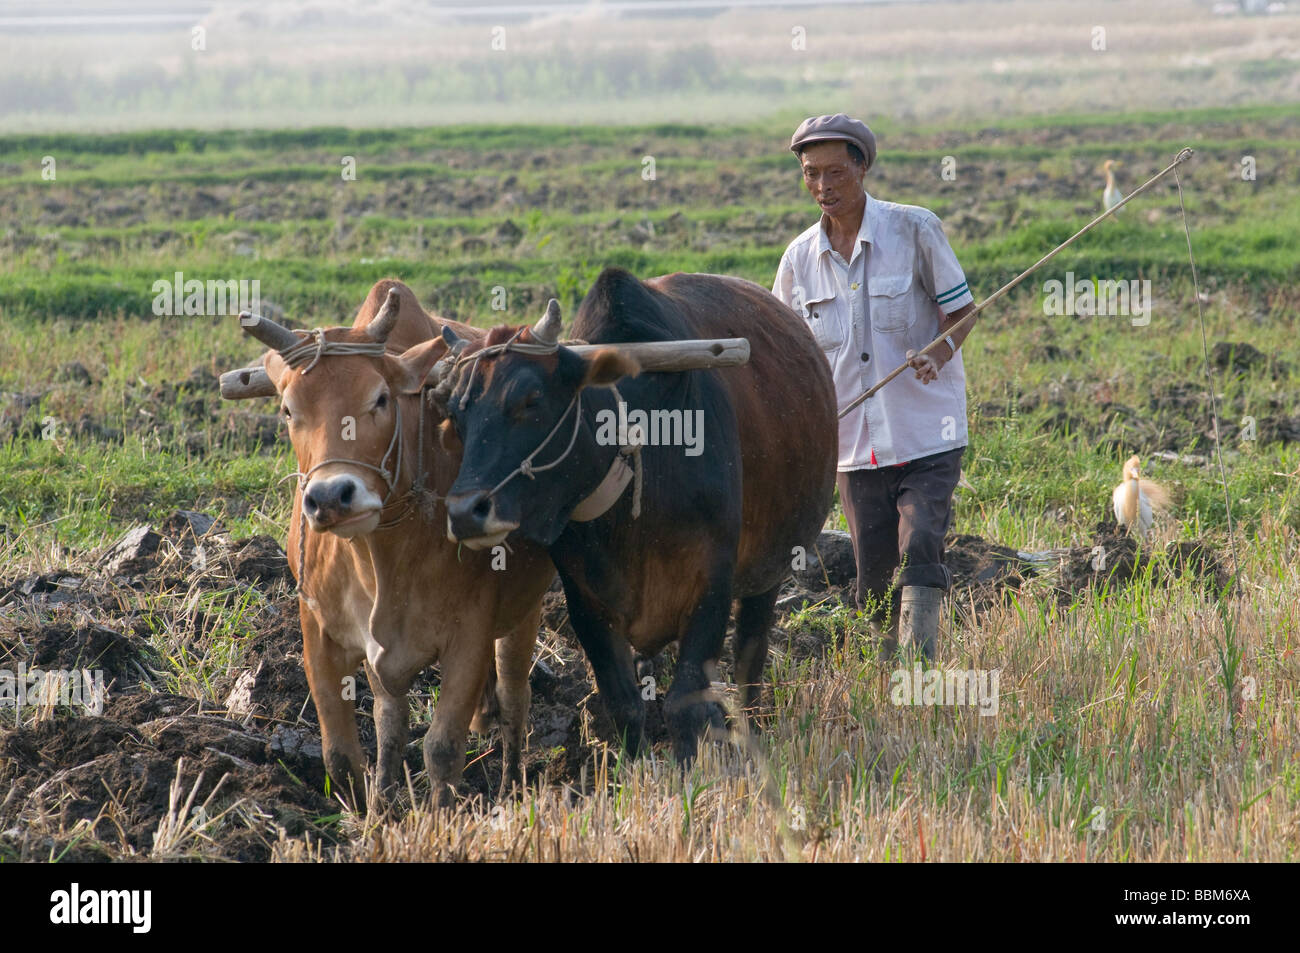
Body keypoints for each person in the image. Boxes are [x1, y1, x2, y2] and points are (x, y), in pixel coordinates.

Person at [772, 114, 977, 660]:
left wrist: (938, 352)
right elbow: (790, 357)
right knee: (876, 580)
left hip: (927, 432)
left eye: (836, 172)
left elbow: (961, 312)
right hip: (852, 447)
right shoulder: (797, 261)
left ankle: (920, 662)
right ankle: (886, 668)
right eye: (811, 174)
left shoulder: (914, 229)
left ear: (862, 166)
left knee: (922, 544)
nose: (824, 186)